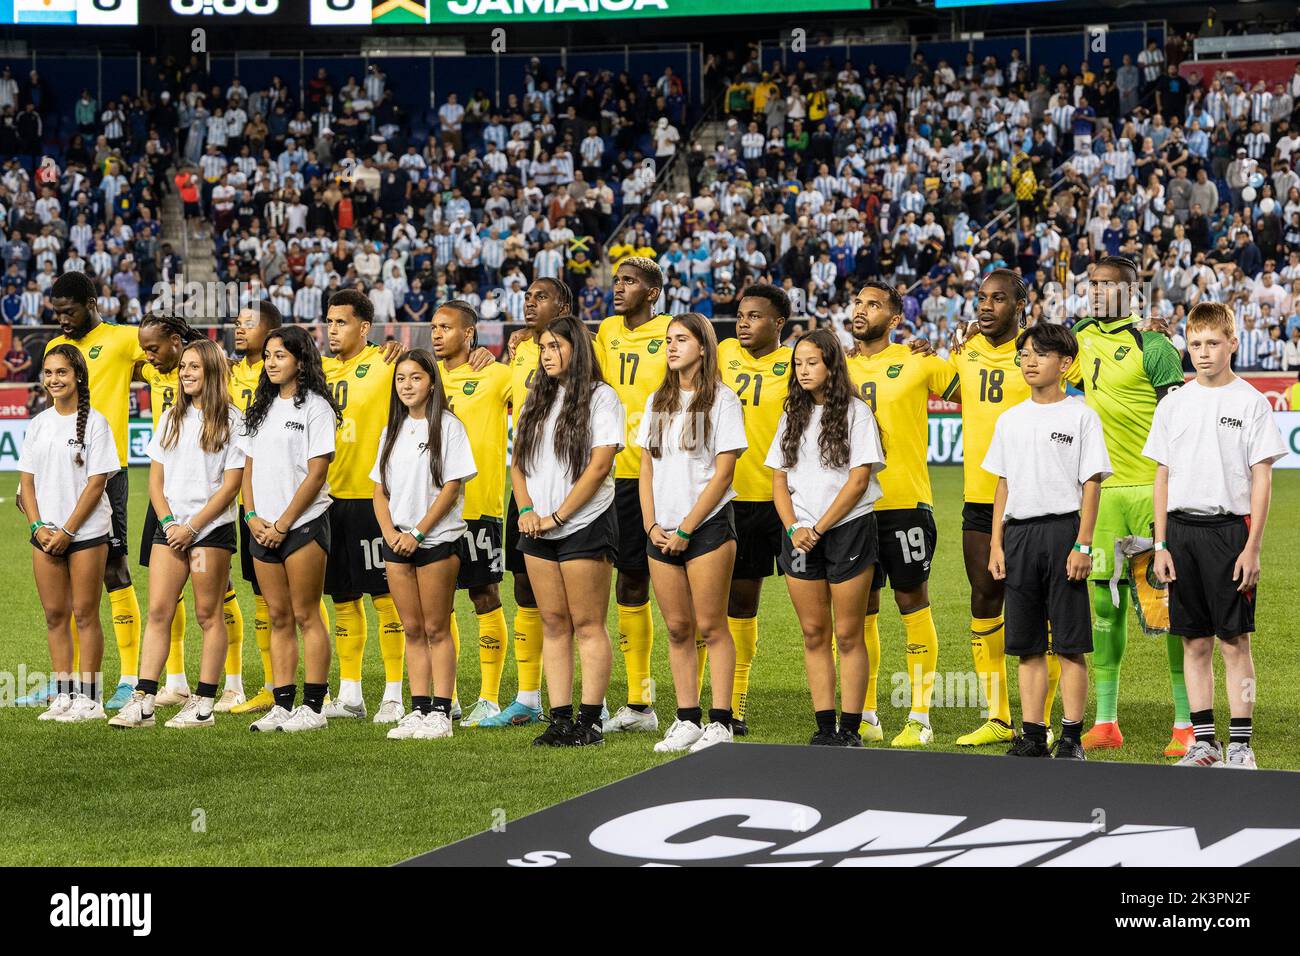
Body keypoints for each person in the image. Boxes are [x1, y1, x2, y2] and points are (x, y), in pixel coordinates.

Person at [1146, 302, 1288, 768]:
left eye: (1212, 343)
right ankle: (1205, 742)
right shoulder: (1173, 403)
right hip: (1180, 534)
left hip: (1231, 533)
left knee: (1234, 642)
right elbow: (1162, 477)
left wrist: (1253, 547)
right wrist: (1161, 544)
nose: (1203, 353)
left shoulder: (1250, 401)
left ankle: (1242, 745)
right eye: (1195, 344)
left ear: (1232, 344)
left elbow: (1262, 478)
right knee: (1194, 641)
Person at [1065, 256, 1192, 757]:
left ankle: (1186, 725)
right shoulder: (1079, 335)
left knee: (1167, 608)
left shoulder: (1153, 344)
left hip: (1151, 492)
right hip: (1102, 495)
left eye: (1108, 285)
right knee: (1101, 608)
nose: (1097, 292)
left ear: (1131, 290)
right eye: (1092, 283)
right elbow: (1030, 355)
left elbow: (1180, 418)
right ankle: (1106, 721)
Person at [985, 323, 1111, 760]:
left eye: (1040, 353)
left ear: (1065, 363)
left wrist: (1083, 544)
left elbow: (1091, 483)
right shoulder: (1010, 419)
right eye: (1024, 354)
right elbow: (1003, 484)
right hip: (1018, 536)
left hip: (1063, 533)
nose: (1029, 360)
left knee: (1071, 643)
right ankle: (1034, 733)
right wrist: (996, 543)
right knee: (1026, 644)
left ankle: (1072, 736)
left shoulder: (1081, 416)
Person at [22, 272, 147, 712]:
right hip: (60, 487)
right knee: (60, 603)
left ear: (92, 303)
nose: (62, 320)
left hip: (106, 472)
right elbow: (28, 479)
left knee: (114, 576)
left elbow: (162, 358)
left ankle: (130, 679)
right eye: (56, 313)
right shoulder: (41, 422)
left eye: (69, 311)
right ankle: (66, 684)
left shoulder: (122, 338)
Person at [108, 340, 246, 730]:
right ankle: (143, 701)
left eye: (194, 368)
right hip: (169, 531)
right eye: (183, 366)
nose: (185, 373)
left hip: (209, 532)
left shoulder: (234, 421)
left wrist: (193, 527)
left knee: (207, 613)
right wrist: (169, 524)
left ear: (213, 373)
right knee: (158, 611)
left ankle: (203, 704)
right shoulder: (170, 418)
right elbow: (155, 481)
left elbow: (231, 485)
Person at [846, 282, 958, 747]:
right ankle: (867, 713)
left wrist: (958, 348)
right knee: (860, 612)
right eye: (857, 302)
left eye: (873, 305)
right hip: (850, 508)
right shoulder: (836, 366)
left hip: (905, 502)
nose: (860, 310)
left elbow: (977, 397)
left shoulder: (920, 360)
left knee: (912, 603)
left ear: (894, 320)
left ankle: (920, 717)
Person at [511, 314, 624, 747]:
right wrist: (525, 509)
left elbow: (600, 465)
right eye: (543, 348)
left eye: (556, 346)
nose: (547, 355)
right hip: (535, 524)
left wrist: (557, 516)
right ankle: (559, 718)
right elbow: (518, 462)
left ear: (577, 349)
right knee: (554, 623)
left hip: (584, 522)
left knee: (588, 623)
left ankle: (590, 720)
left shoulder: (601, 397)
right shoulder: (534, 399)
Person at [770, 329, 886, 747]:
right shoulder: (791, 415)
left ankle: (851, 728)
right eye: (797, 363)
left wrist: (817, 529)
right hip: (798, 535)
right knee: (814, 634)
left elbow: (858, 482)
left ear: (832, 365)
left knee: (848, 635)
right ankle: (824, 727)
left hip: (848, 530)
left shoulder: (856, 413)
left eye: (812, 362)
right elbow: (778, 480)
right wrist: (793, 529)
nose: (802, 370)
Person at [639, 312, 748, 753]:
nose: (671, 346)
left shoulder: (723, 400)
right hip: (660, 530)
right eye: (668, 340)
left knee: (711, 625)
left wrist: (686, 528)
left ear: (703, 346)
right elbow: (646, 466)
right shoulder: (656, 401)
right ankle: (687, 718)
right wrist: (651, 525)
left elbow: (723, 474)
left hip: (707, 528)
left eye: (681, 339)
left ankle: (719, 721)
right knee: (678, 628)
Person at [947, 269, 1036, 747]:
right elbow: (947, 385)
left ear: (1019, 306)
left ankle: (1038, 719)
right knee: (984, 597)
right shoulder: (964, 349)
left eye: (998, 299)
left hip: (1034, 501)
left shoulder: (1038, 350)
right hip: (979, 498)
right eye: (981, 297)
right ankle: (997, 716)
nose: (985, 306)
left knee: (1035, 603)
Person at [240, 326, 343, 734]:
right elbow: (246, 469)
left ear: (301, 360)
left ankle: (314, 708)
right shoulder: (260, 408)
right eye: (268, 355)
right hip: (260, 528)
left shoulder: (315, 408)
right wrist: (251, 518)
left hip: (302, 525)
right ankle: (282, 705)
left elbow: (317, 474)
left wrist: (283, 524)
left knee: (307, 614)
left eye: (280, 355)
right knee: (278, 616)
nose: (271, 362)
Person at [481, 277, 572, 728]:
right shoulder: (518, 350)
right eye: (528, 298)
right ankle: (529, 698)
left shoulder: (583, 350)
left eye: (541, 297)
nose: (530, 303)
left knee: (575, 598)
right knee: (523, 587)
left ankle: (586, 697)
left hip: (571, 487)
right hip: (526, 485)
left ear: (564, 305)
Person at [372, 350, 477, 741]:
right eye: (401, 379)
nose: (407, 386)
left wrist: (417, 532)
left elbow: (452, 486)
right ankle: (417, 710)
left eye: (416, 378)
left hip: (435, 540)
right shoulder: (391, 431)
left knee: (436, 627)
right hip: (396, 542)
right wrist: (391, 534)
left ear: (431, 382)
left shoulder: (448, 427)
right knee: (412, 628)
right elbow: (378, 491)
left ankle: (441, 711)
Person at [318, 289, 407, 724]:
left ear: (364, 327)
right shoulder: (317, 368)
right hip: (326, 499)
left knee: (385, 597)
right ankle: (350, 693)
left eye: (341, 322)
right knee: (342, 597)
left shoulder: (388, 364)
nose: (332, 330)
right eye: (329, 322)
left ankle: (393, 694)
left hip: (374, 498)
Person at [594, 257, 673, 734]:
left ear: (653, 292)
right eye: (617, 280)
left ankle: (665, 703)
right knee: (621, 584)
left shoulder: (672, 332)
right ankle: (633, 700)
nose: (619, 288)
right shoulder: (605, 331)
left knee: (667, 589)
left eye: (630, 282)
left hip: (659, 475)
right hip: (608, 476)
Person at [19, 345, 117, 722]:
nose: (54, 380)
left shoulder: (95, 423)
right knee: (54, 615)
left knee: (85, 613)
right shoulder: (38, 423)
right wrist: (37, 526)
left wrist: (68, 530)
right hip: (44, 534)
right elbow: (25, 482)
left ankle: (89, 699)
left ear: (77, 376)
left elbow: (96, 484)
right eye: (48, 373)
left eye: (61, 372)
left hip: (86, 532)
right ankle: (63, 695)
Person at [431, 300, 513, 727]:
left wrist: (521, 345)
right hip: (426, 513)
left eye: (446, 327)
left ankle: (490, 697)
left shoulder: (496, 375)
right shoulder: (421, 377)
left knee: (485, 596)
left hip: (479, 506)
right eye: (434, 327)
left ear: (469, 333)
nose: (437, 334)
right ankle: (451, 696)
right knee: (437, 605)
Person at [716, 285, 791, 736]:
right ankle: (721, 705)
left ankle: (736, 702)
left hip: (778, 501)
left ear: (778, 323)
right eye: (741, 315)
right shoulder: (723, 351)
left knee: (750, 604)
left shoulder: (796, 361)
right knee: (718, 607)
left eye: (755, 316)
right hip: (725, 498)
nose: (743, 322)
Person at [228, 302, 284, 715]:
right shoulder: (227, 373)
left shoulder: (289, 374)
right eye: (237, 322)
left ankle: (330, 689)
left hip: (290, 502)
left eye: (249, 323)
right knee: (261, 594)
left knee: (307, 598)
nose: (239, 328)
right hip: (248, 500)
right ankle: (271, 684)